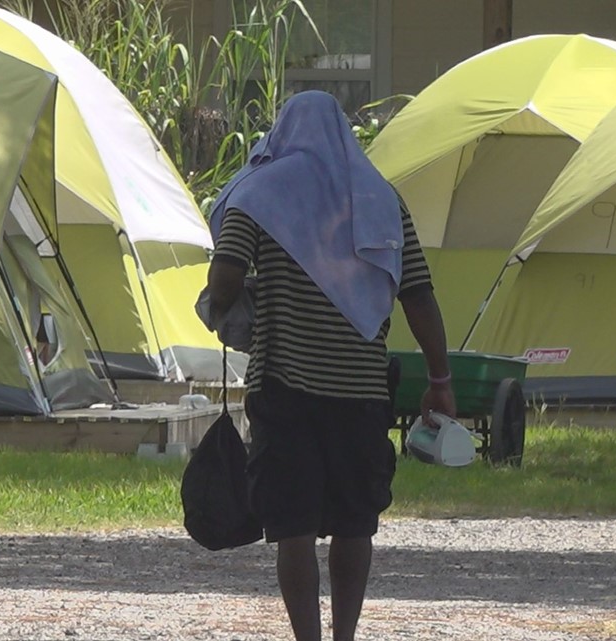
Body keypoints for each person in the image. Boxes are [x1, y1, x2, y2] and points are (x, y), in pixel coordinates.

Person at [205, 91, 456, 641]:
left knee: (291, 524)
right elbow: (418, 296)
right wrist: (440, 380)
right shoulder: (381, 199)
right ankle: (344, 634)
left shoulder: (259, 194)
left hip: (283, 387)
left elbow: (223, 279)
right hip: (361, 391)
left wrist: (227, 306)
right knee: (354, 522)